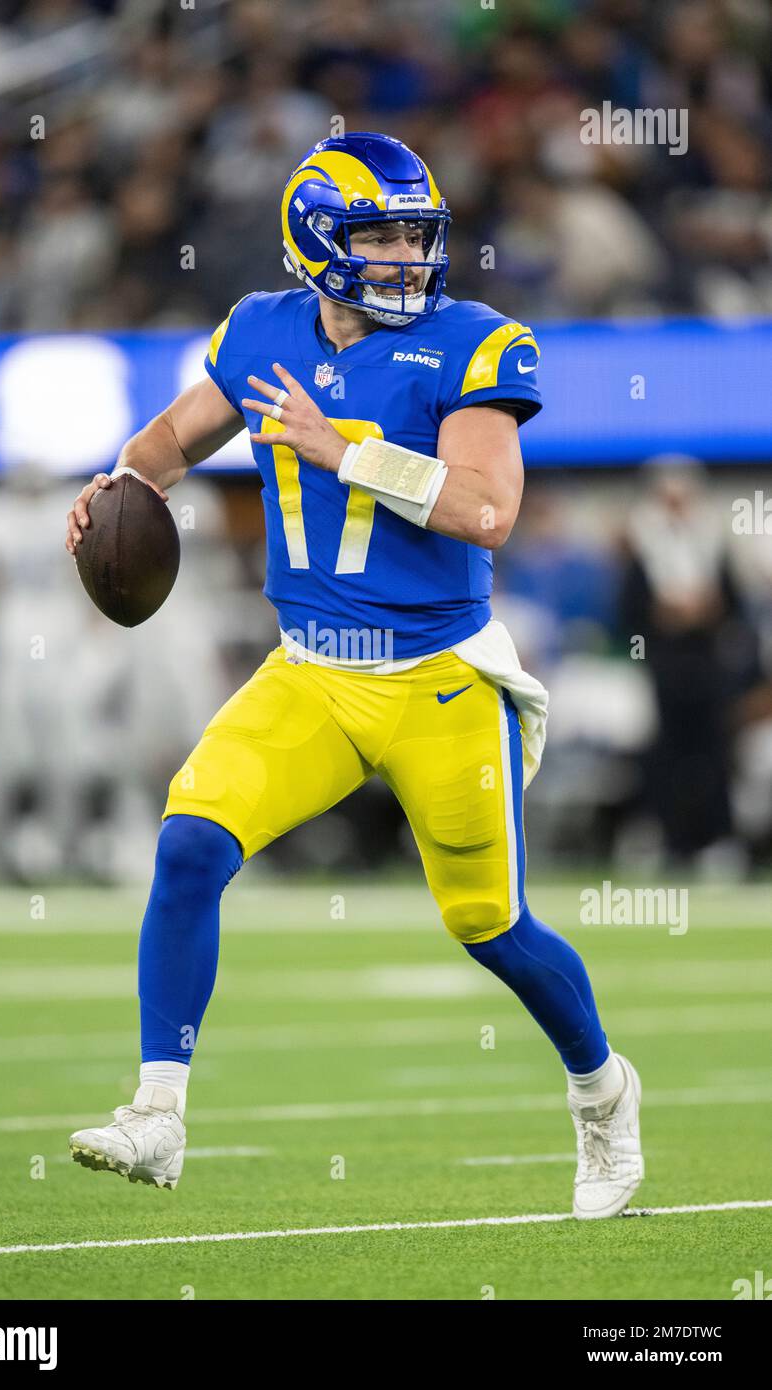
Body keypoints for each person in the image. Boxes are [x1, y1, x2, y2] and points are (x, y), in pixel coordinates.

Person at [65, 132, 643, 1218]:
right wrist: (114, 485)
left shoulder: (473, 344)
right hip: (312, 674)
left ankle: (601, 1091)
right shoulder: (258, 331)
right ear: (317, 239)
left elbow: (488, 511)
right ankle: (156, 1113)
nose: (405, 256)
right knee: (190, 842)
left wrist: (345, 452)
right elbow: (171, 442)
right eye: (380, 234)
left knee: (491, 928)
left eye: (414, 235)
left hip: (438, 679)